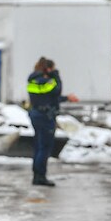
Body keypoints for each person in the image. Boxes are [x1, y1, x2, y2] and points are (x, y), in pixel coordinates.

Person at [27, 57, 78, 186]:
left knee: (39, 146)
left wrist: (67, 98)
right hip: (45, 117)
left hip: (36, 114)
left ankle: (37, 175)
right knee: (45, 147)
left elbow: (50, 97)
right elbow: (56, 89)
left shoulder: (33, 81)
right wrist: (56, 76)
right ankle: (40, 176)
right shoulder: (46, 82)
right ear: (48, 69)